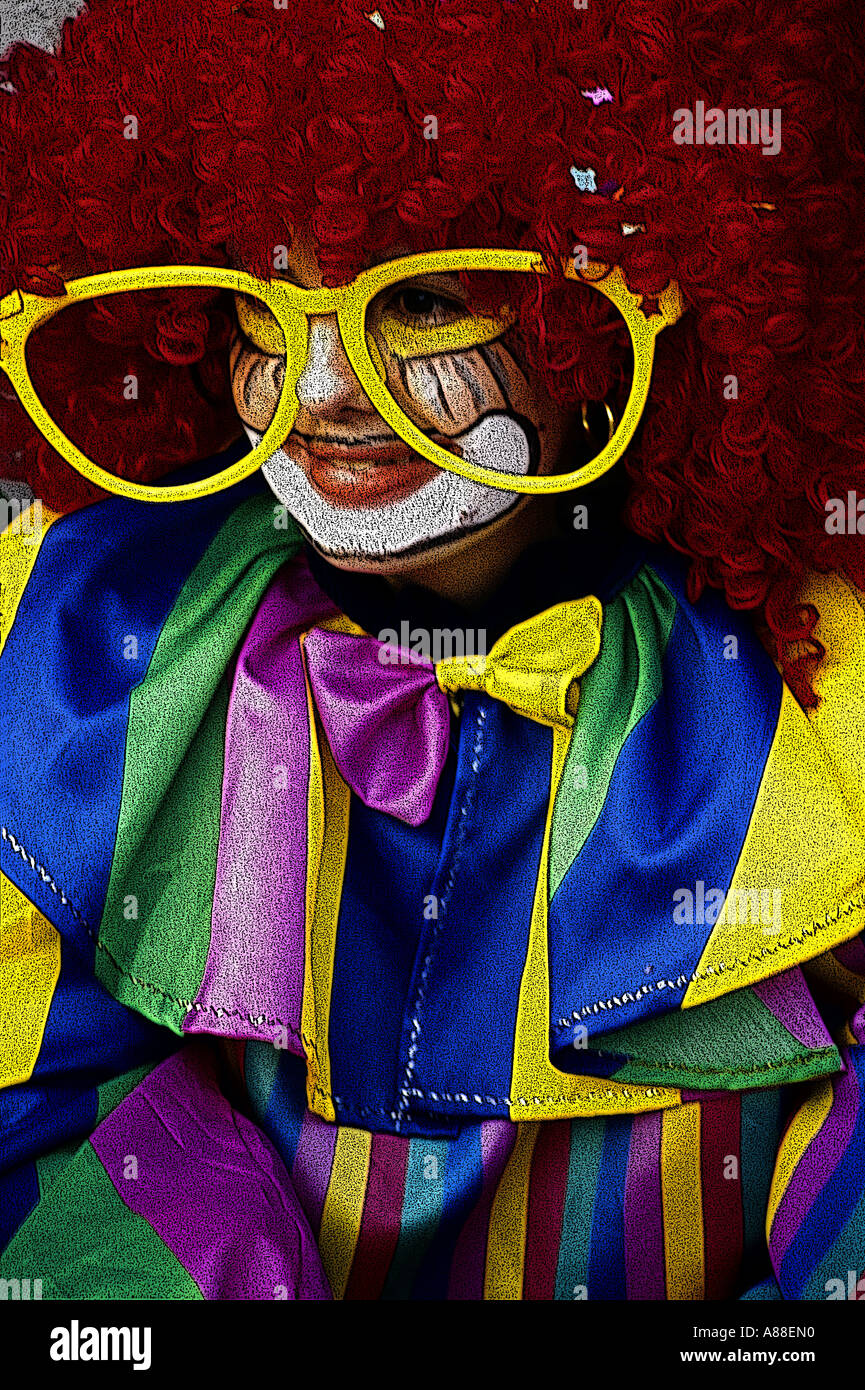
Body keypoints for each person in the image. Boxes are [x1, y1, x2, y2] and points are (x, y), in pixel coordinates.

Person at [1, 0, 864, 1301]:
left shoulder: (811, 690)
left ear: (626, 296)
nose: (322, 384)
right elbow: (35, 1103)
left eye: (423, 300)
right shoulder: (96, 640)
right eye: (260, 300)